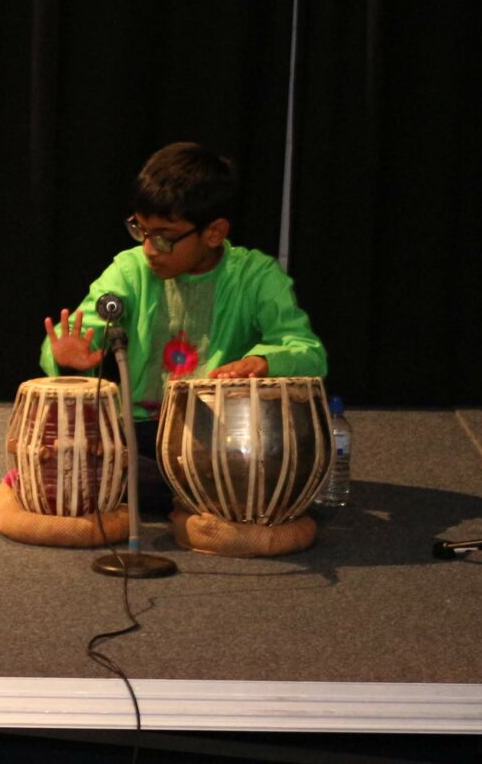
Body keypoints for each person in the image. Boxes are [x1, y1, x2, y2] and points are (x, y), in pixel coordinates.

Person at [40, 142, 327, 512]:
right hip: (140, 430)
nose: (149, 249)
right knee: (93, 457)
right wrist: (67, 360)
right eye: (140, 230)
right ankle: (188, 494)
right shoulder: (129, 271)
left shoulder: (255, 277)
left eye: (163, 235)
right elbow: (74, 337)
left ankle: (170, 489)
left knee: (234, 467)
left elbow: (309, 353)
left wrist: (263, 362)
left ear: (214, 232)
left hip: (218, 435)